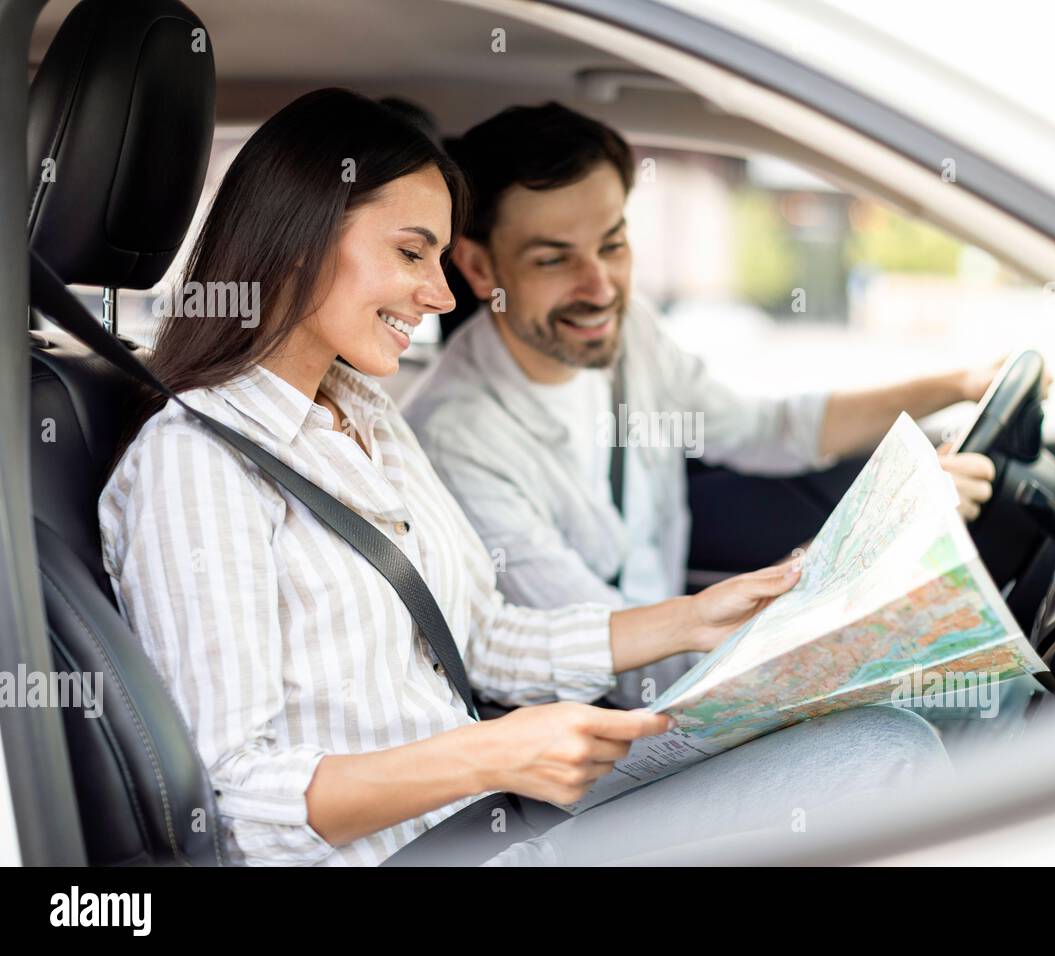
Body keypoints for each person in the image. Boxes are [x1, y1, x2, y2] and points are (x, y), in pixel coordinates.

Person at [100, 88, 948, 867]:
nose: (438, 295)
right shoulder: (196, 464)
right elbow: (233, 800)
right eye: (410, 253)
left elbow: (480, 634)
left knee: (882, 729)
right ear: (299, 242)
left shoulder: (362, 411)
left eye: (439, 258)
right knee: (884, 762)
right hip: (419, 848)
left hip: (487, 802)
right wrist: (493, 751)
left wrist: (688, 621)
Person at [402, 103, 1002, 708]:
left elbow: (769, 430)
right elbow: (625, 666)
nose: (600, 287)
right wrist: (881, 532)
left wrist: (957, 383)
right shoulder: (454, 439)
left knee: (981, 697)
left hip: (702, 667)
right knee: (946, 716)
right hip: (619, 730)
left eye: (612, 246)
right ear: (478, 267)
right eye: (554, 259)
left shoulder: (629, 335)